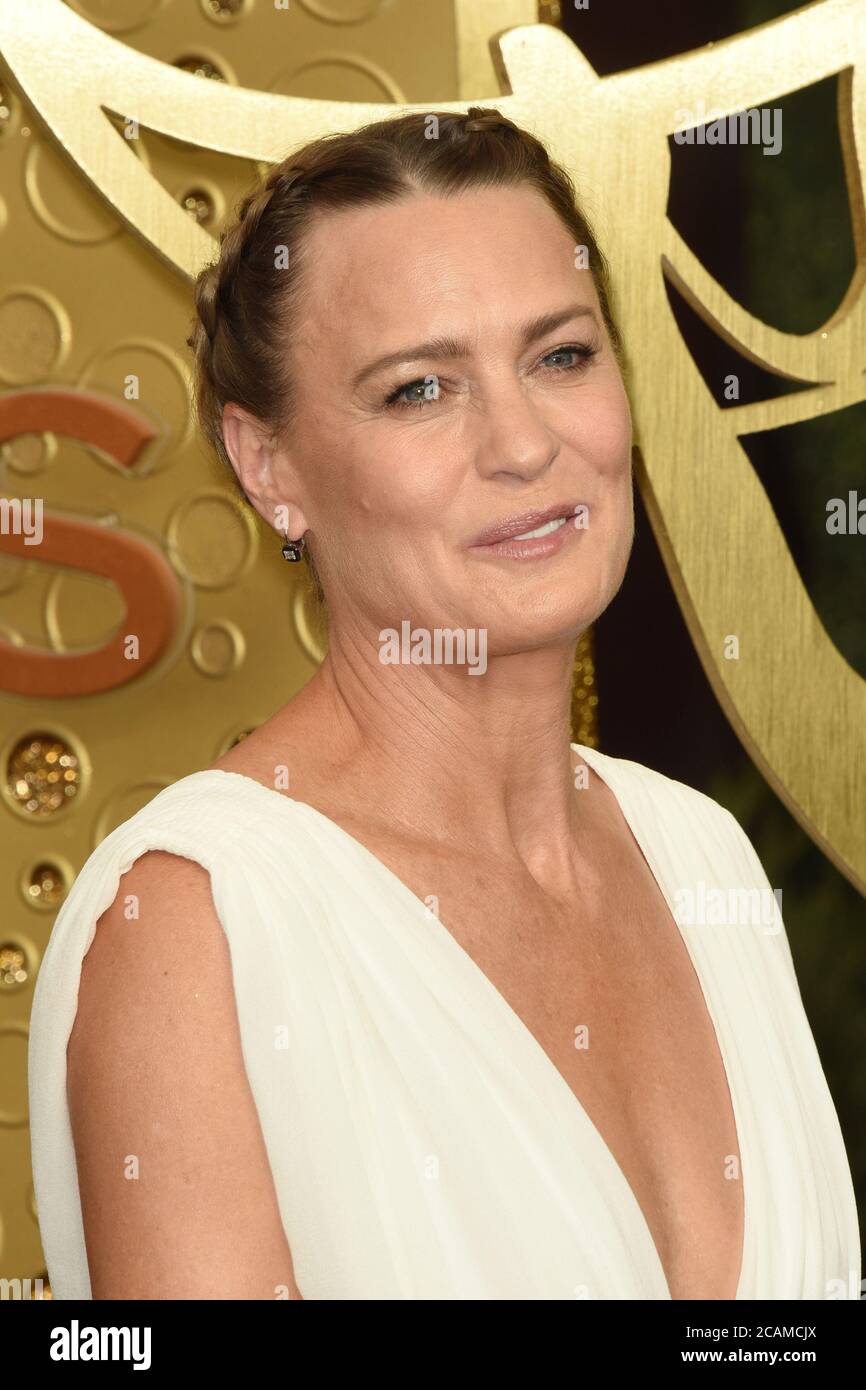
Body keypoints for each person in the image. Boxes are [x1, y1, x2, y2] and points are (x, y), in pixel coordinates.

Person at [28, 107, 860, 1301]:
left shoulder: (699, 853)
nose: (522, 442)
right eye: (419, 388)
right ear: (270, 468)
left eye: (559, 355)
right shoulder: (201, 928)